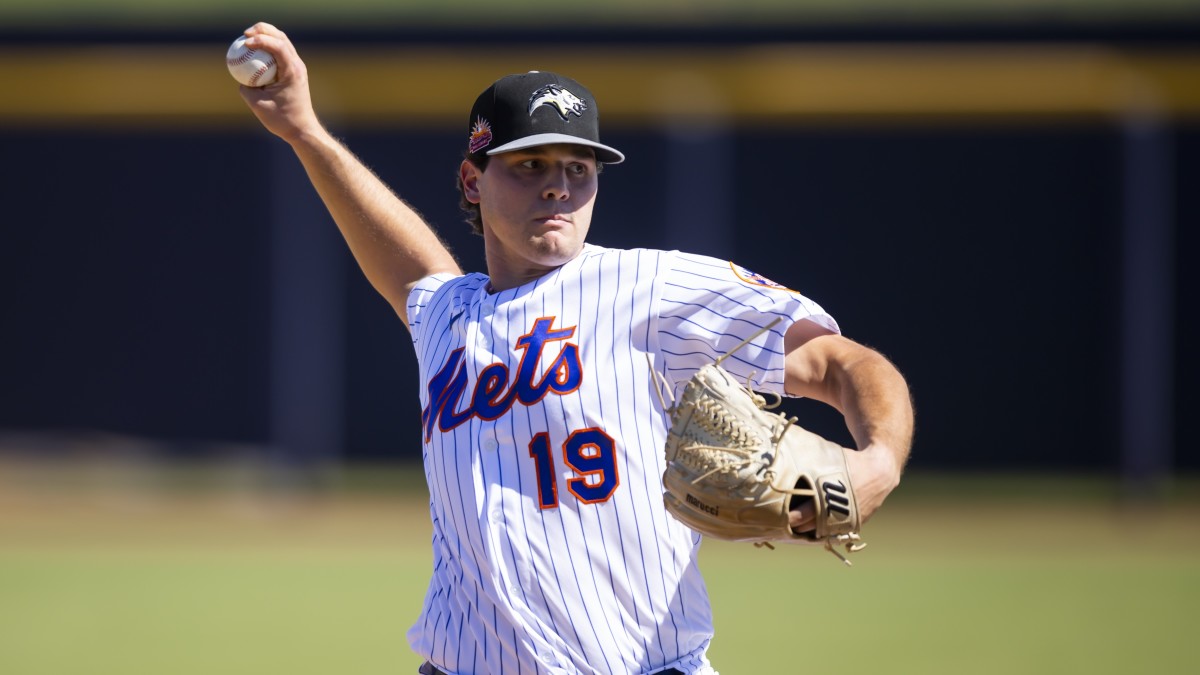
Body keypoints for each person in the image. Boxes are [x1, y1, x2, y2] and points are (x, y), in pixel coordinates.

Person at [238, 22, 913, 675]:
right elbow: (409, 267)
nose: (557, 185)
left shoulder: (650, 286)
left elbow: (840, 362)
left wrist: (878, 461)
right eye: (530, 164)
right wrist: (304, 129)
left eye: (577, 166)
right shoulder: (446, 315)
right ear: (473, 182)